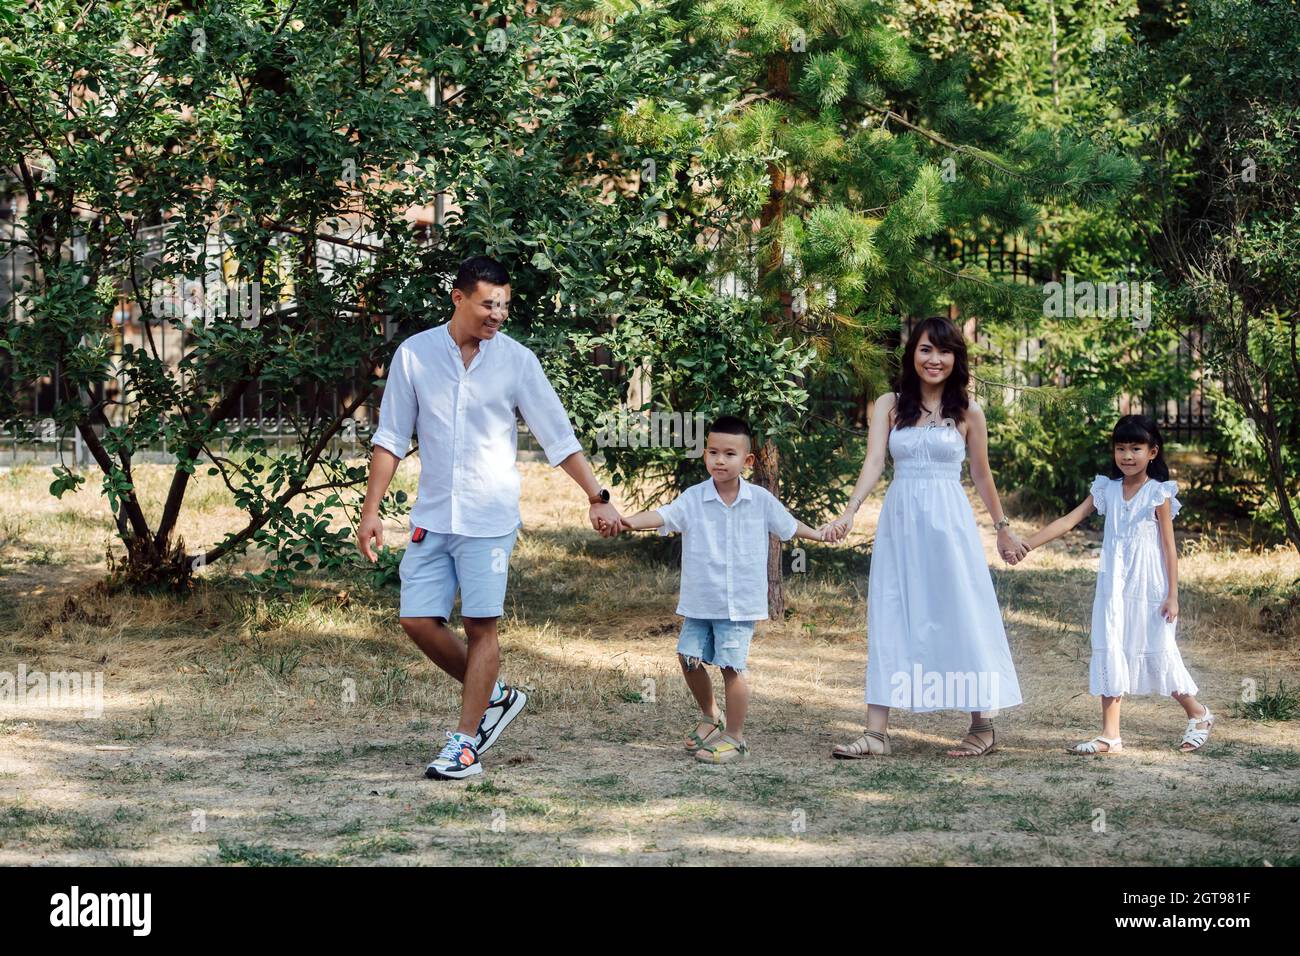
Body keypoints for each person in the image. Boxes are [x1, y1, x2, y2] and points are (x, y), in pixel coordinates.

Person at [357, 255, 625, 779]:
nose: (497, 315)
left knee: (482, 627)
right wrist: (371, 513)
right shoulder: (415, 355)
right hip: (433, 516)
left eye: (504, 305)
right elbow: (390, 439)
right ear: (458, 298)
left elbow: (557, 435)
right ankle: (495, 697)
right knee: (416, 619)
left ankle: (464, 745)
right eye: (488, 304)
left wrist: (597, 495)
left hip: (490, 520)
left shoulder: (517, 361)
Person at [821, 316, 1026, 758]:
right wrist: (851, 511)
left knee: (961, 611)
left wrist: (1002, 527)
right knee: (892, 610)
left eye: (945, 351)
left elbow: (980, 471)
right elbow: (875, 461)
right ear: (912, 354)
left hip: (950, 524)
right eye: (926, 350)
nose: (935, 359)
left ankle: (982, 725)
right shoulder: (889, 405)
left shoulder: (969, 412)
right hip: (901, 522)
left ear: (957, 358)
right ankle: (875, 734)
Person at [618, 416, 824, 763]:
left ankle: (736, 737)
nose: (719, 460)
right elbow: (662, 515)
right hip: (701, 600)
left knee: (732, 666)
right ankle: (712, 716)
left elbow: (789, 526)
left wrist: (820, 534)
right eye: (713, 452)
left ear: (748, 461)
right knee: (688, 658)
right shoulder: (694, 498)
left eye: (729, 454)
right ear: (705, 455)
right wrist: (627, 522)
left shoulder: (760, 500)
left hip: (740, 604)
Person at [1016, 414, 1212, 754]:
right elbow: (1068, 521)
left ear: (1153, 452)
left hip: (1149, 587)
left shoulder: (1157, 493)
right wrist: (1026, 545)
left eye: (1136, 448)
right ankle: (1110, 735)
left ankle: (1199, 714)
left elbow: (1169, 546)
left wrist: (1173, 595)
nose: (1127, 456)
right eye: (1120, 448)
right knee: (1111, 645)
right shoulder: (1105, 488)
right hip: (1113, 586)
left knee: (1157, 650)